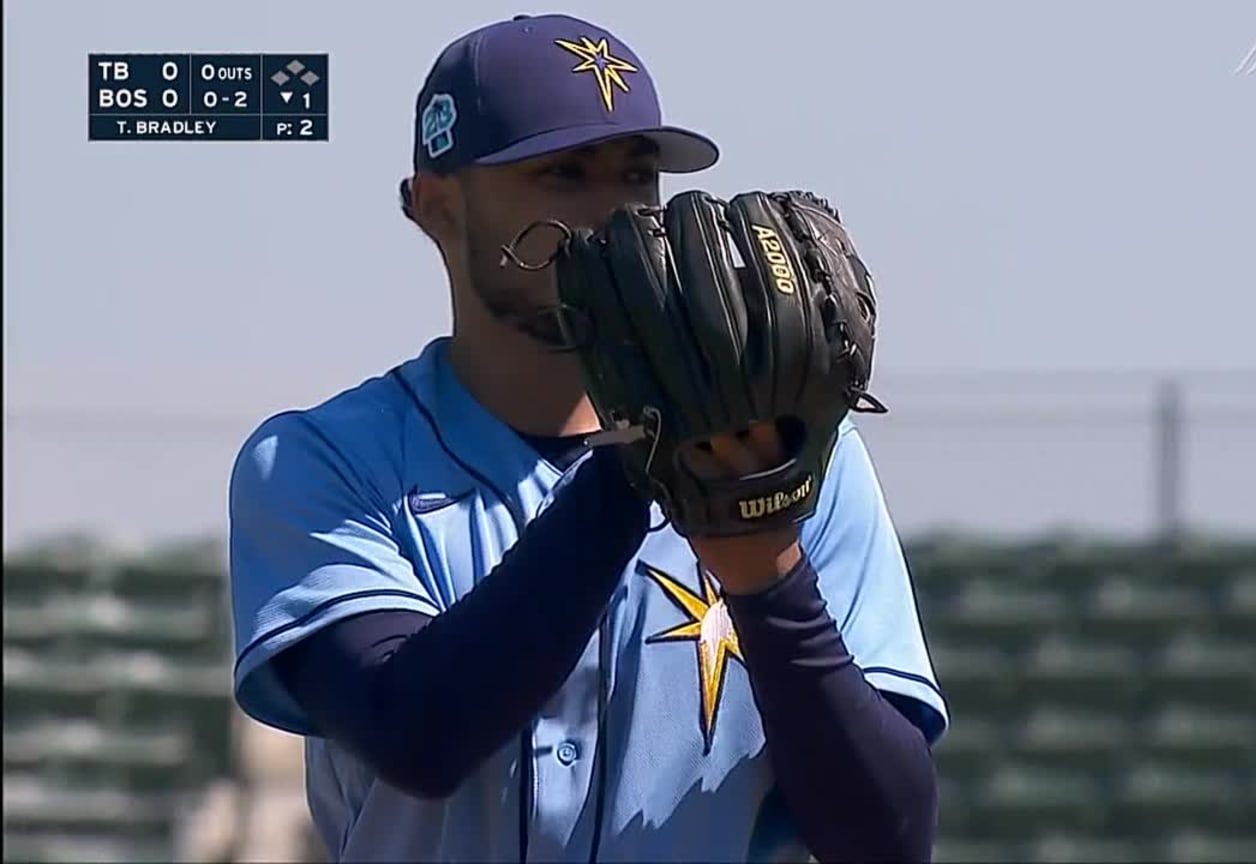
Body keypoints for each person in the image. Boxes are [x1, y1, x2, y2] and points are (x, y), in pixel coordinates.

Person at [226, 12, 947, 863]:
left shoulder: (790, 458)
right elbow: (417, 731)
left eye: (636, 175)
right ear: (436, 207)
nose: (616, 216)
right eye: (563, 174)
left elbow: (887, 840)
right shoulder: (324, 463)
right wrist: (640, 461)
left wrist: (771, 580)